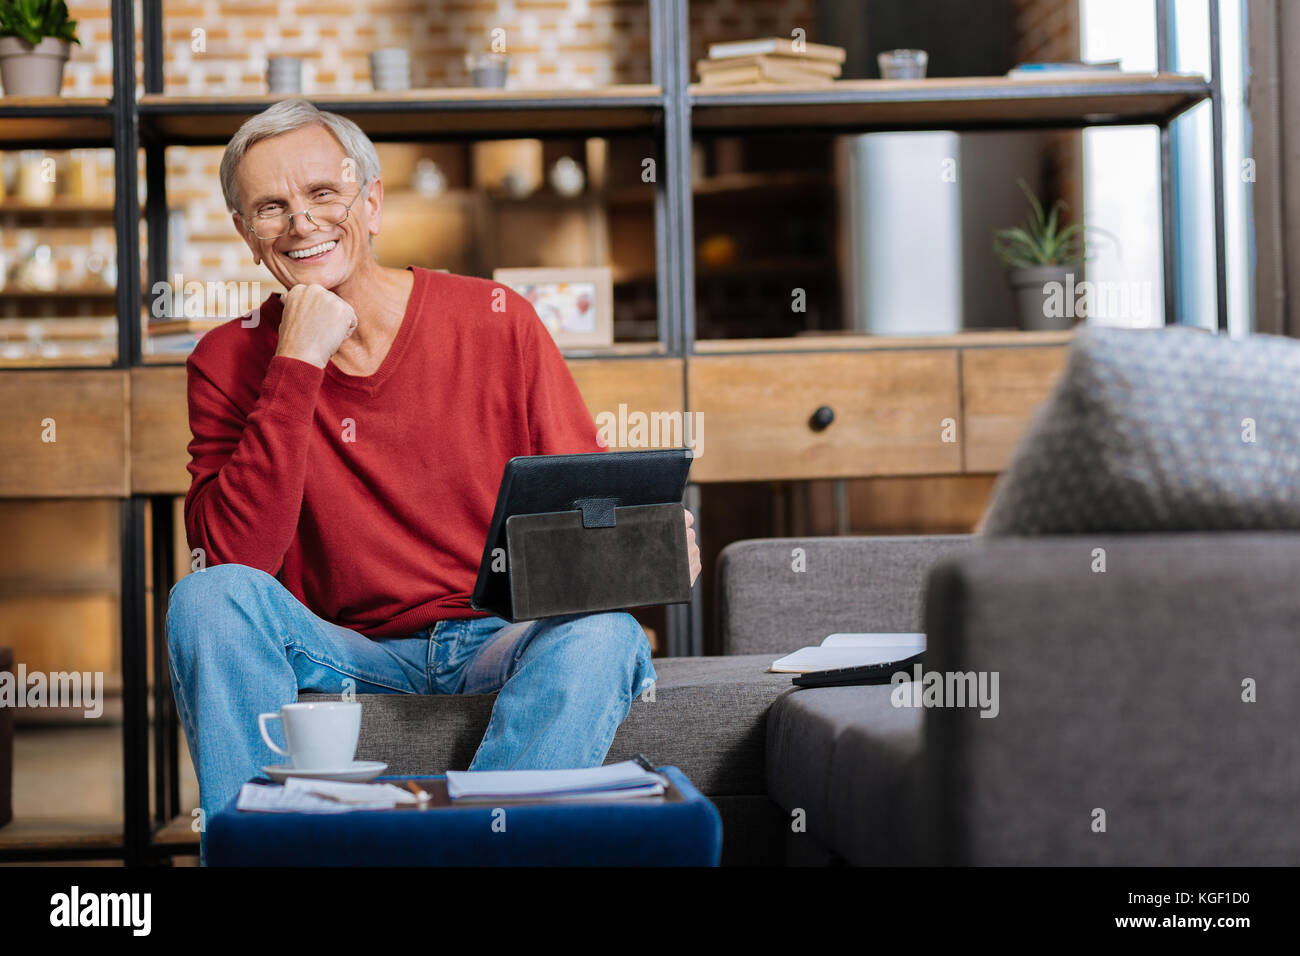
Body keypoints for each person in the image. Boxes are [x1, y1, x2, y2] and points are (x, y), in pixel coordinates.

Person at [164, 98, 701, 862]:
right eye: (271, 208)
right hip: (346, 649)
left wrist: (645, 546)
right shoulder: (227, 359)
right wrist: (298, 362)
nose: (301, 223)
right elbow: (238, 559)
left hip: (498, 638)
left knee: (604, 636)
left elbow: (581, 510)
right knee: (205, 600)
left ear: (372, 202)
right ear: (248, 235)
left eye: (323, 194)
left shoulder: (496, 319)